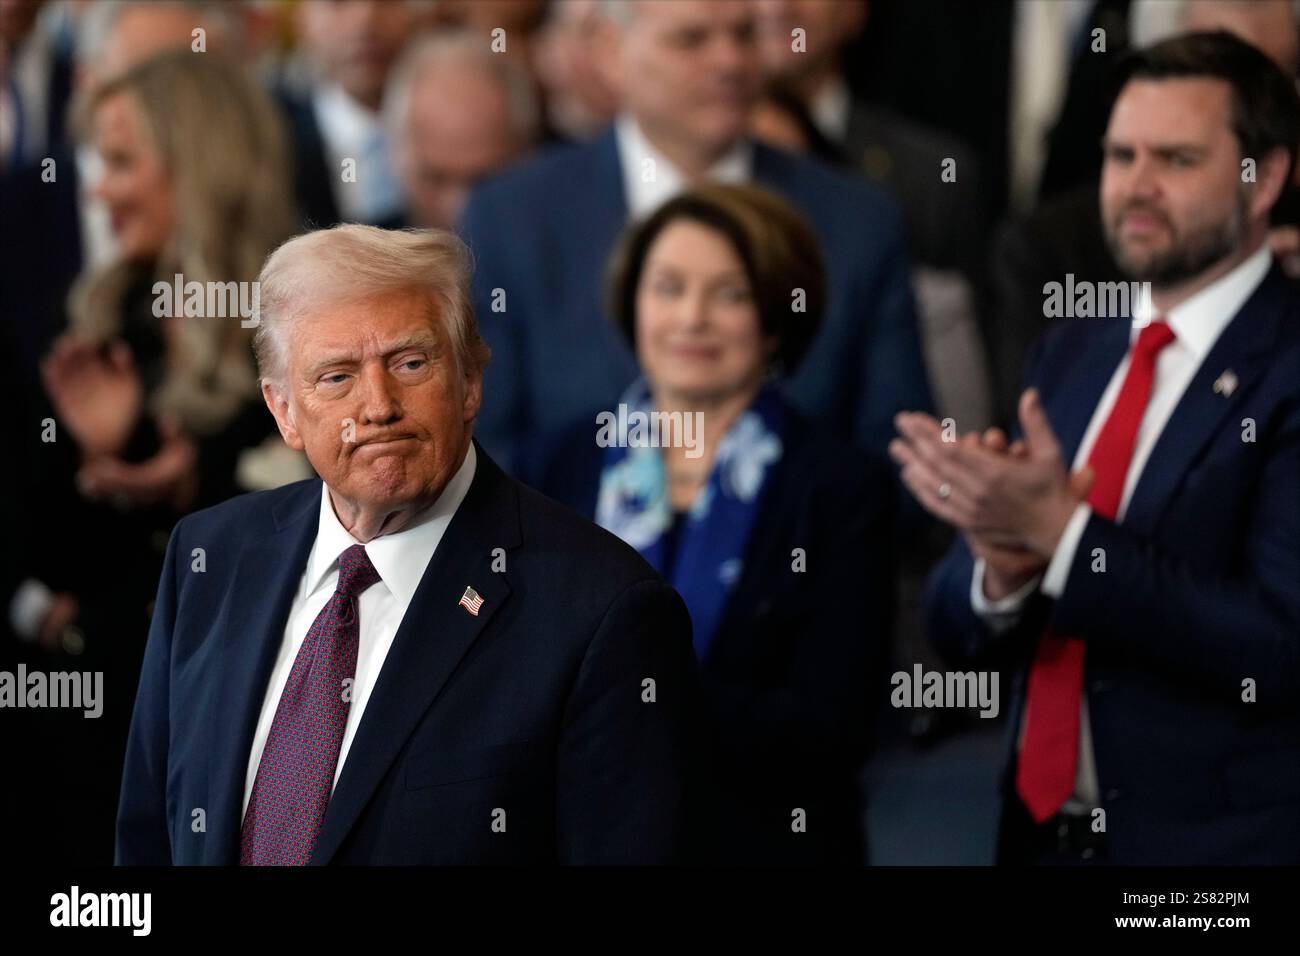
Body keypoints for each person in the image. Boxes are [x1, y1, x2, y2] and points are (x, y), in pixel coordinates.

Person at [115, 225, 700, 866]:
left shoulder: (601, 610)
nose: (378, 406)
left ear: (471, 381)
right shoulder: (209, 558)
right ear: (283, 411)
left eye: (410, 363)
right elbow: (147, 841)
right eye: (336, 377)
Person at [901, 32, 1300, 864]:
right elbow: (951, 623)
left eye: (1177, 159)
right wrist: (999, 564)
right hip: (1037, 837)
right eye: (1121, 155)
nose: (1135, 187)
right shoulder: (1071, 349)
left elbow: (1280, 640)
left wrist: (1066, 540)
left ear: (1266, 180)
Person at [525, 184, 892, 864]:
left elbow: (831, 726)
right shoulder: (557, 464)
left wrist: (626, 689)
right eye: (668, 288)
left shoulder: (840, 488)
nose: (692, 318)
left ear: (778, 317)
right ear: (632, 303)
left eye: (729, 294)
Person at [458, 0, 931, 473]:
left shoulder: (858, 222)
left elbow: (899, 462)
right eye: (692, 39)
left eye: (744, 35)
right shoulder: (512, 219)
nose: (730, 62)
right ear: (609, 51)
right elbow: (485, 450)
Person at [385, 32, 540, 231]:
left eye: (484, 182)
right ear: (396, 158)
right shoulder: (362, 256)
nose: (457, 209)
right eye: (435, 179)